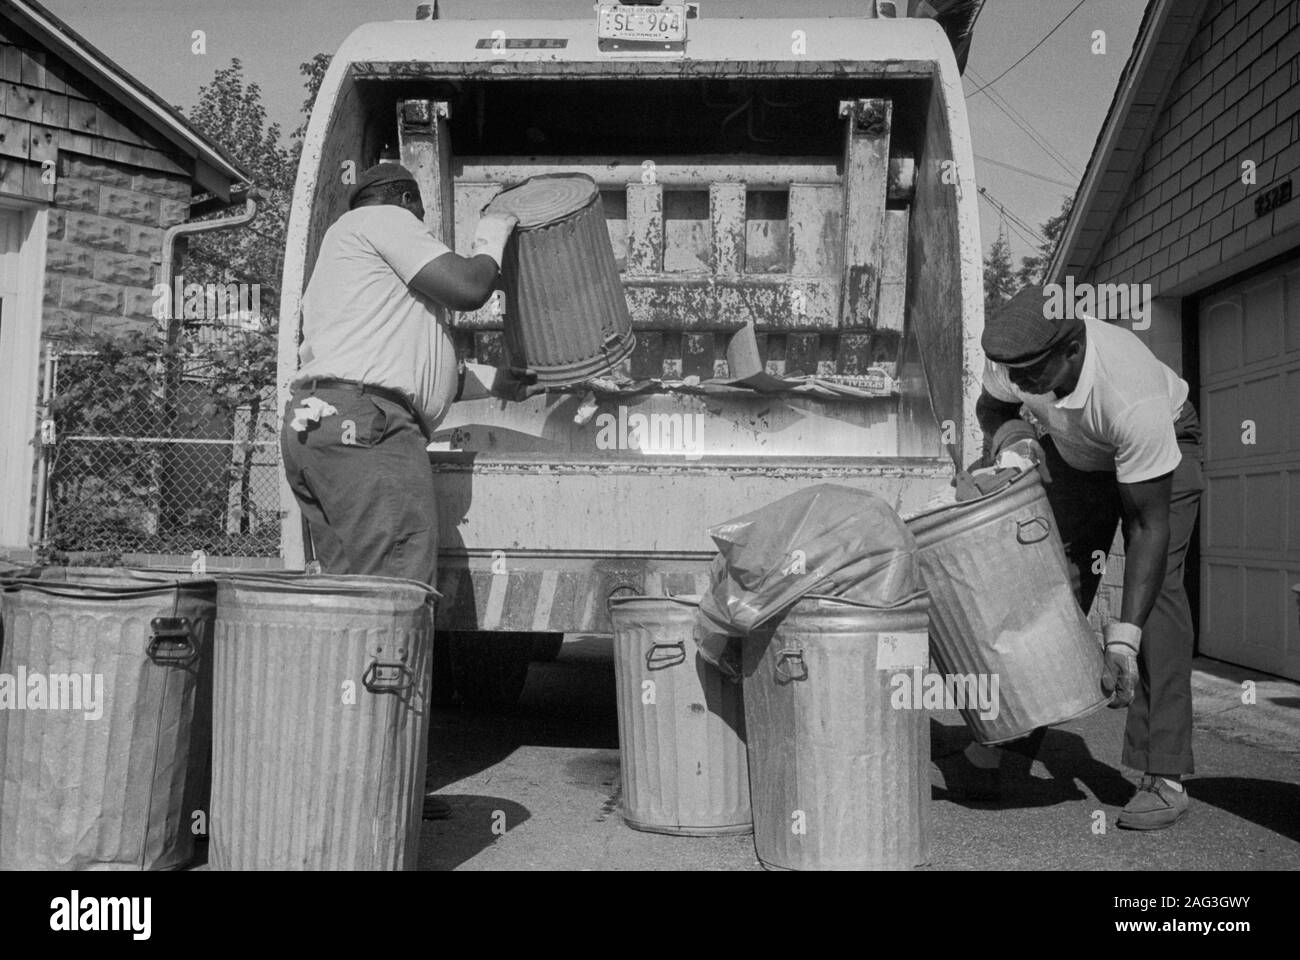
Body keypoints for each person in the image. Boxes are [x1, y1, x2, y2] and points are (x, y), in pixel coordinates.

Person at [946, 284, 1203, 831]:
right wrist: (1015, 440)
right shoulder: (1021, 360)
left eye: (1031, 375)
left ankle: (1164, 776)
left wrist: (1122, 638)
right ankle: (1005, 740)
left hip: (1163, 449)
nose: (1020, 383)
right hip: (1077, 452)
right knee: (1047, 580)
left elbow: (1147, 525)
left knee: (1156, 602)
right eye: (1012, 372)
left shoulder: (1130, 394)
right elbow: (995, 403)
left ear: (1072, 350)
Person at [280, 161, 518, 585]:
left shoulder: (345, 257)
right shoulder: (385, 218)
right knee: (395, 587)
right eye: (421, 217)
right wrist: (491, 240)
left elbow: (405, 366)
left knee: (352, 591)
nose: (422, 230)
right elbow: (469, 289)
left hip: (323, 425)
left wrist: (501, 381)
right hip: (368, 431)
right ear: (407, 199)